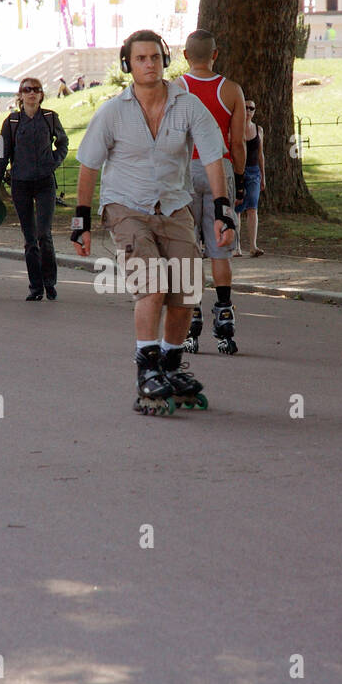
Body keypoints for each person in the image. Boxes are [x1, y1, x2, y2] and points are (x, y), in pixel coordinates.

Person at [72, 29, 233, 415]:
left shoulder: (189, 105)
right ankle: (147, 370)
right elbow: (89, 166)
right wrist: (82, 220)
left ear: (165, 61)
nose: (149, 65)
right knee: (153, 283)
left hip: (174, 206)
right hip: (126, 206)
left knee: (187, 288)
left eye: (155, 58)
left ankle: (172, 367)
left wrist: (223, 210)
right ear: (128, 64)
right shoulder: (112, 111)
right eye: (140, 58)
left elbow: (212, 157)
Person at [179, 29, 247, 353]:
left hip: (186, 171)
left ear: (185, 55)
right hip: (219, 168)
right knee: (221, 245)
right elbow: (237, 142)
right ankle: (224, 315)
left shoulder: (176, 89)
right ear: (215, 54)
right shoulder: (231, 90)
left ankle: (191, 317)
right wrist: (239, 178)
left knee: (189, 247)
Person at [0, 77, 69, 300]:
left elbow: (63, 143)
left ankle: (49, 282)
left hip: (44, 183)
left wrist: (53, 161)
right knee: (29, 238)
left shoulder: (50, 118)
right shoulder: (11, 122)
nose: (32, 93)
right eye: (27, 90)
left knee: (44, 234)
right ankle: (35, 287)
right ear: (20, 95)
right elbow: (2, 155)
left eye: (36, 90)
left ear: (41, 95)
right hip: (20, 184)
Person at [237, 98, 267, 257]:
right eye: (245, 107)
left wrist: (263, 176)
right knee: (237, 208)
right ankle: (236, 247)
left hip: (254, 171)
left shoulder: (259, 129)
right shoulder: (235, 128)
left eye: (251, 108)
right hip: (239, 171)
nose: (248, 111)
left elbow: (260, 154)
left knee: (252, 207)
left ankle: (253, 246)